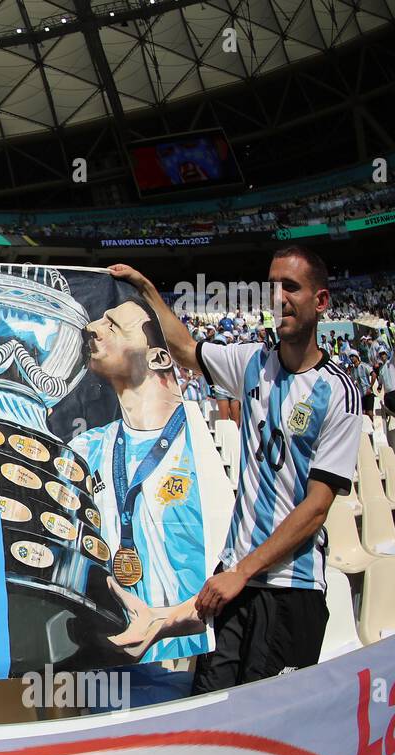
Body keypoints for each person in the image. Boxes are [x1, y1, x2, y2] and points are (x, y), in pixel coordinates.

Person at [110, 246, 362, 692]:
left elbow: (317, 508)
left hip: (290, 589)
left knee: (267, 729)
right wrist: (148, 291)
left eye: (291, 287)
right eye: (271, 287)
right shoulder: (252, 364)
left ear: (320, 302)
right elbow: (186, 348)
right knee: (210, 710)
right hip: (234, 586)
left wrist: (242, 571)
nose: (278, 297)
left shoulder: (339, 393)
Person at [71, 299, 207, 661]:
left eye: (113, 325)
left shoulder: (201, 444)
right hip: (109, 658)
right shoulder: (84, 449)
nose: (92, 329)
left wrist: (171, 621)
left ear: (159, 358)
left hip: (193, 657)